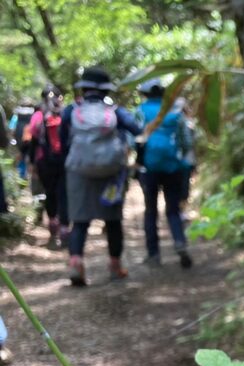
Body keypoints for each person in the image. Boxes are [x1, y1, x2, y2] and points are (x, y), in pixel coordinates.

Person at [60, 66, 141, 287]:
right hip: (110, 174)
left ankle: (76, 264)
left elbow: (62, 141)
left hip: (78, 173)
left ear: (83, 88)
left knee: (80, 222)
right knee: (113, 221)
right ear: (106, 90)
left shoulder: (70, 111)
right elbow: (138, 131)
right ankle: (115, 266)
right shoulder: (116, 112)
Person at [135, 79, 192, 268]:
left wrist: (137, 160)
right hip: (173, 166)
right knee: (173, 209)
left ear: (145, 93)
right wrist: (181, 159)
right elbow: (186, 141)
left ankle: (153, 255)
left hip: (149, 168)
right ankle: (179, 242)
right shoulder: (174, 111)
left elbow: (132, 139)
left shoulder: (140, 112)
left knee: (150, 210)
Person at [28, 84, 69, 244]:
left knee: (50, 193)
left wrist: (32, 163)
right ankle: (65, 229)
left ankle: (53, 227)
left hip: (44, 161)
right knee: (63, 193)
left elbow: (33, 141)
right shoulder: (66, 113)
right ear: (60, 97)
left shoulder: (38, 115)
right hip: (65, 161)